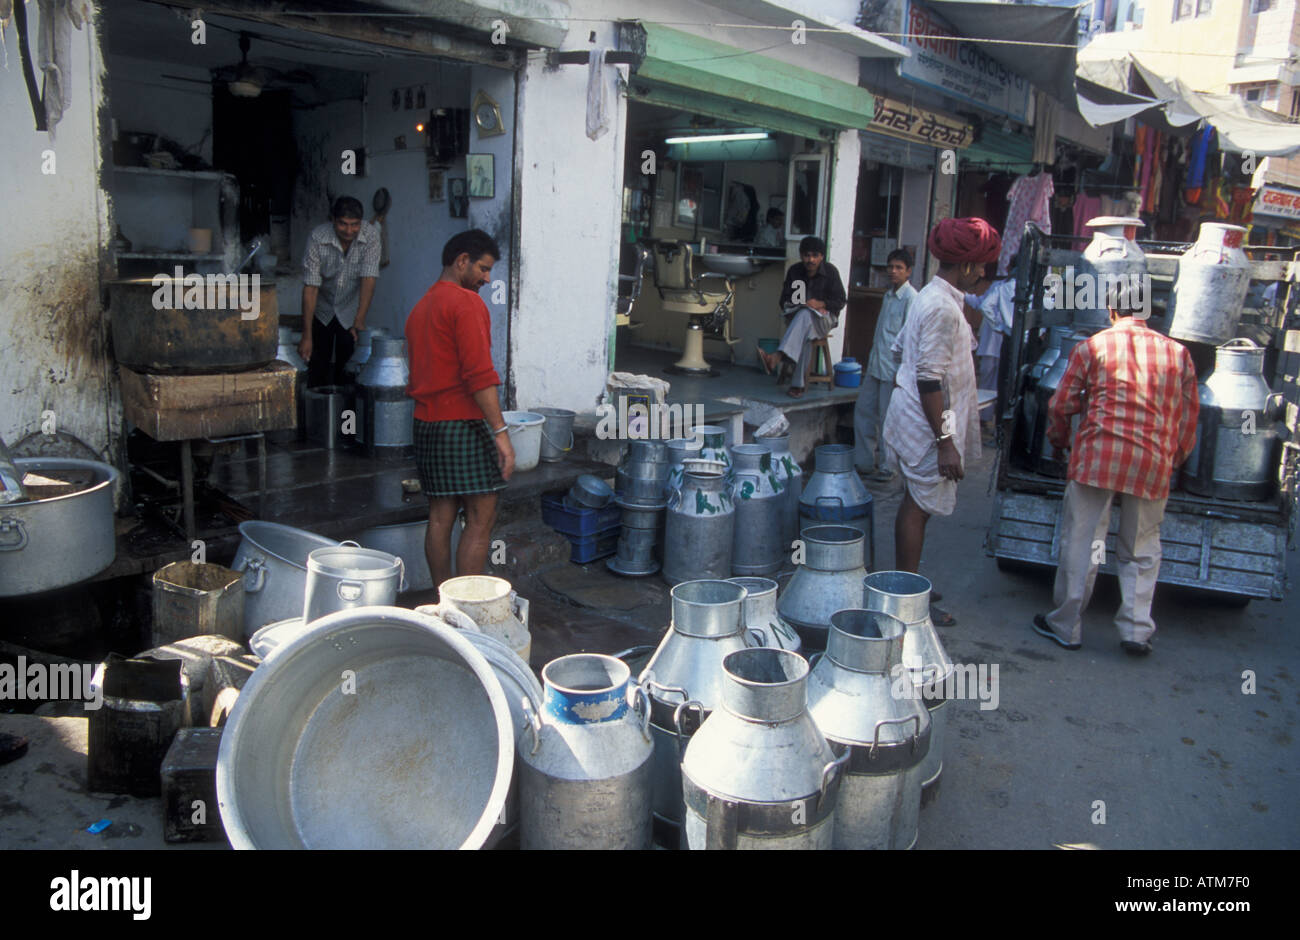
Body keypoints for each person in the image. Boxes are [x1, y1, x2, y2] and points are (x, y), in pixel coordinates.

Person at [1031, 294, 1199, 656]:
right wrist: (1173, 459)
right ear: (1149, 313)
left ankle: (1066, 626)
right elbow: (1188, 418)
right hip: (1152, 461)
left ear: (1111, 311)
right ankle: (1136, 631)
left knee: (1083, 542)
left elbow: (1062, 404)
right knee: (1141, 547)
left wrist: (1059, 442)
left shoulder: (1092, 347)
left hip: (1097, 458)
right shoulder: (1178, 353)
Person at [881, 217, 1001, 626]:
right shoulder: (941, 307)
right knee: (918, 506)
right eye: (979, 265)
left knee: (918, 502)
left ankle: (908, 582)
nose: (982, 273)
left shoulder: (932, 296)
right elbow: (929, 379)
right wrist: (945, 442)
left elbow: (905, 353)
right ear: (965, 265)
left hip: (918, 415)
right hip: (926, 422)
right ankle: (907, 600)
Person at [405, 229, 515, 592]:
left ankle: (443, 604)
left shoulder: (420, 308)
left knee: (440, 518)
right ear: (462, 261)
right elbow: (479, 375)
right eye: (483, 268)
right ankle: (465, 607)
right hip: (462, 424)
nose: (487, 278)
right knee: (481, 518)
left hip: (426, 424)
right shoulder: (466, 303)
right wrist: (501, 433)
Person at [298, 196, 380, 387]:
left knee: (349, 369)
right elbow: (311, 287)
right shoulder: (318, 237)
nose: (349, 230)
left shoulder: (371, 236)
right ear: (333, 220)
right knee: (317, 366)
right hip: (322, 308)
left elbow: (368, 278)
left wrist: (359, 319)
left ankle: (346, 405)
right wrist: (306, 335)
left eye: (354, 224)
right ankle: (319, 403)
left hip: (350, 309)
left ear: (361, 222)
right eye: (343, 224)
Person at [755, 236, 847, 398]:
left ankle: (777, 357)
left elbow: (840, 301)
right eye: (806, 255)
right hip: (799, 319)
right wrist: (795, 306)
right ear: (801, 255)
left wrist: (821, 304)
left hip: (824, 319)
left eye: (815, 256)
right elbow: (783, 300)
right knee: (804, 324)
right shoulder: (795, 271)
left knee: (805, 317)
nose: (810, 260)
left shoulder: (830, 272)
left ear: (821, 256)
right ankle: (797, 386)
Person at [854, 248, 916, 480]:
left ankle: (888, 467)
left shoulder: (911, 299)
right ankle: (864, 462)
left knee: (888, 419)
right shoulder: (888, 295)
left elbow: (910, 340)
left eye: (899, 267)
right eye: (890, 266)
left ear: (908, 272)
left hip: (894, 370)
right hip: (875, 365)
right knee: (863, 412)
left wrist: (903, 374)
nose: (893, 271)